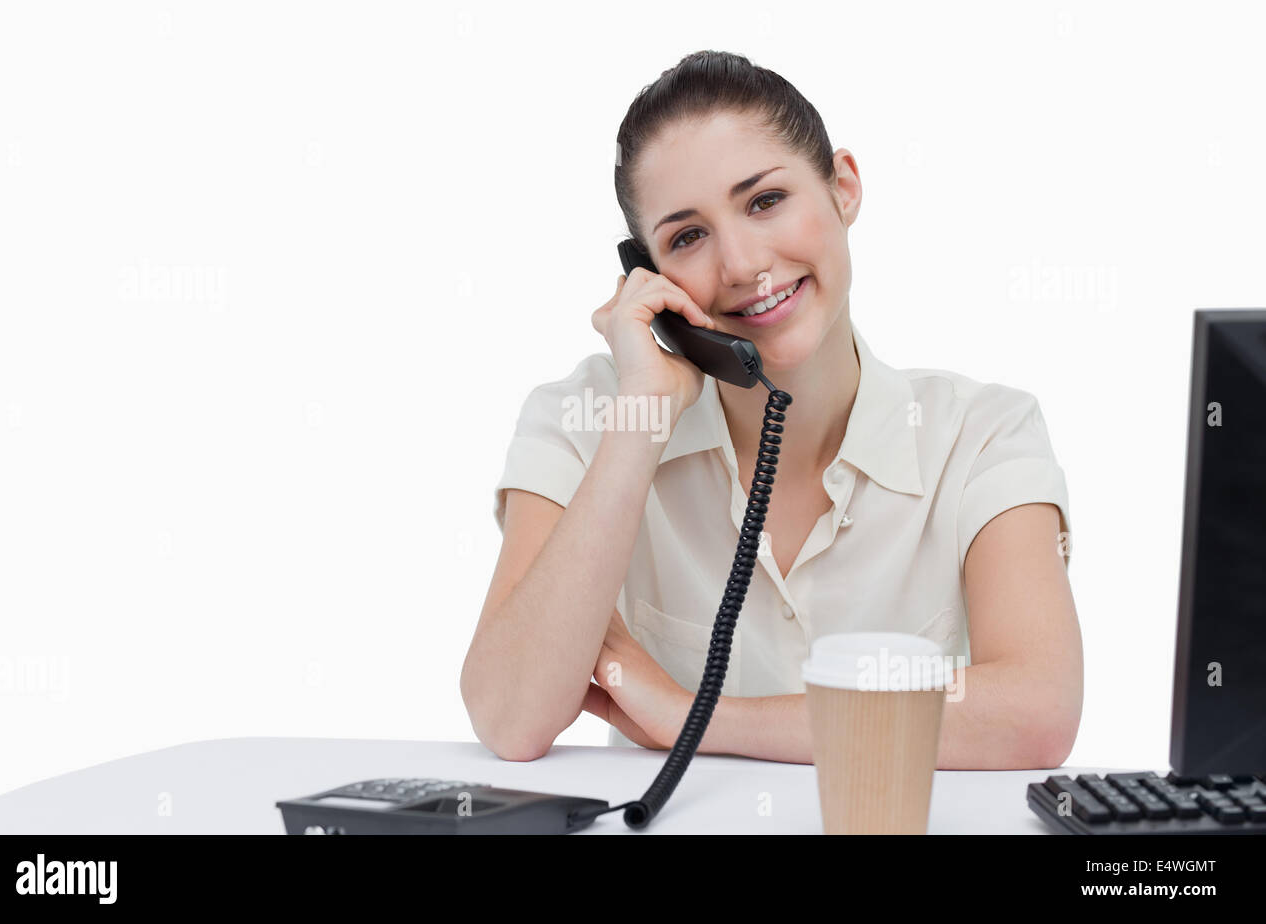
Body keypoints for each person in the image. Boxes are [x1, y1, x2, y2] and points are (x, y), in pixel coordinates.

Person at [461, 50, 1082, 768]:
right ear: (648, 277)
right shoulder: (585, 419)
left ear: (843, 188)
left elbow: (1036, 711)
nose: (741, 264)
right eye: (687, 237)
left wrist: (690, 718)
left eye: (764, 201)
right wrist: (641, 420)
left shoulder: (983, 436)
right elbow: (511, 718)